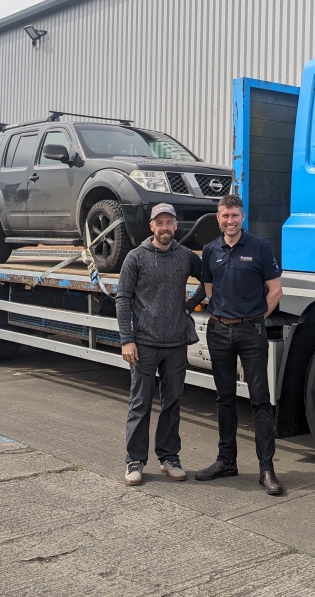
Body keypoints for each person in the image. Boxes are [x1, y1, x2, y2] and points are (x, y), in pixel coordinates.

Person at [194, 194, 285, 495]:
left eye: (235, 215)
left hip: (251, 332)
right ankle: (226, 461)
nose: (230, 221)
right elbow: (210, 290)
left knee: (260, 399)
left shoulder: (259, 247)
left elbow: (275, 291)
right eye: (225, 216)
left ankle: (266, 469)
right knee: (224, 399)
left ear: (242, 217)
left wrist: (256, 318)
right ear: (218, 218)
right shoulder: (210, 251)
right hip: (218, 331)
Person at [116, 203, 204, 486]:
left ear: (176, 226)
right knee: (140, 404)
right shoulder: (136, 257)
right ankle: (135, 461)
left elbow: (209, 281)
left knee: (172, 403)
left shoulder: (186, 257)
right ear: (151, 226)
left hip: (176, 343)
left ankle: (169, 458)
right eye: (159, 222)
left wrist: (189, 306)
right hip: (144, 345)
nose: (165, 227)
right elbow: (123, 299)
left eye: (169, 222)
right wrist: (127, 340)